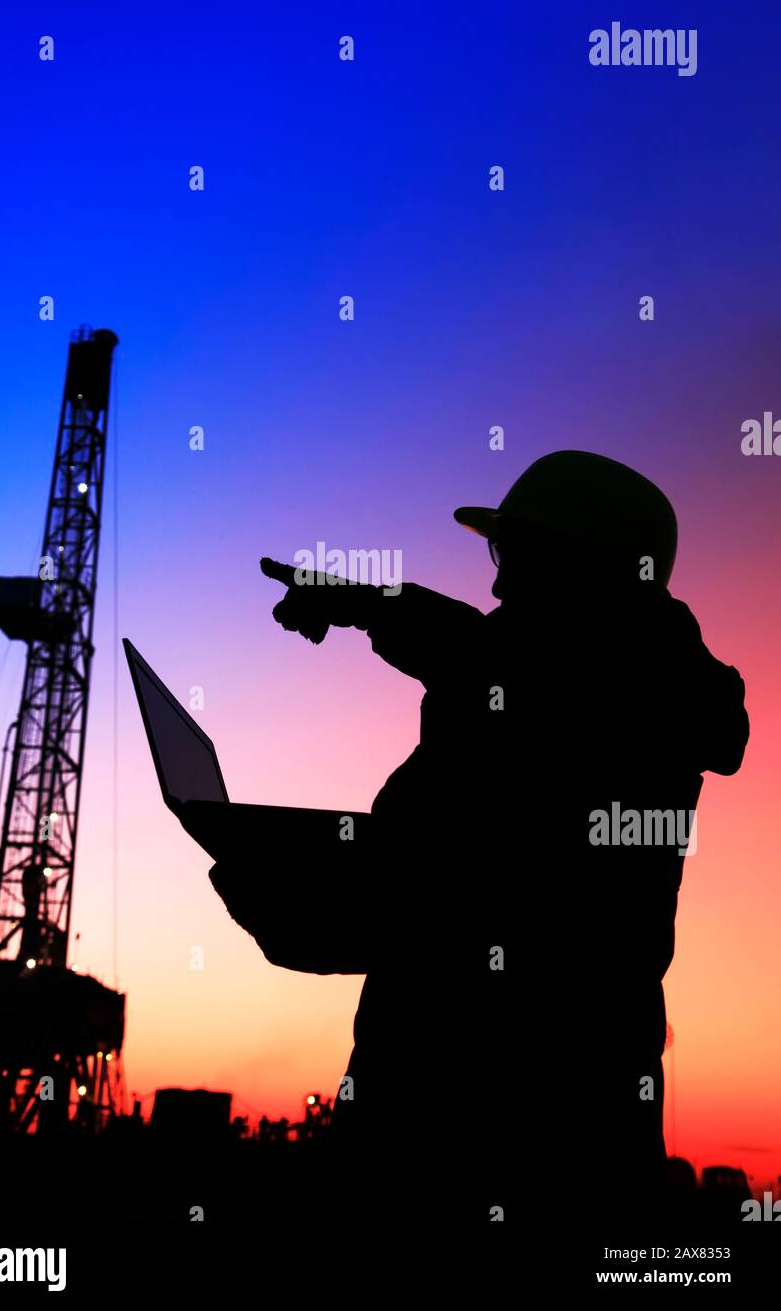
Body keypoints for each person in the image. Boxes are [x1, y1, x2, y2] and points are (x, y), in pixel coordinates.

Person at [205, 451, 749, 1237]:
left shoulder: (621, 700)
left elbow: (458, 905)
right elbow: (438, 879)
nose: (496, 584)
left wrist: (286, 901)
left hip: (493, 1136)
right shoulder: (560, 689)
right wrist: (291, 895)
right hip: (461, 1111)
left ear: (586, 568)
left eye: (514, 557)